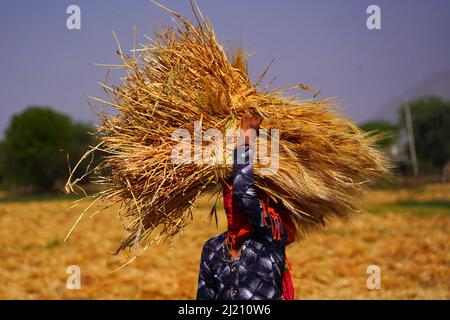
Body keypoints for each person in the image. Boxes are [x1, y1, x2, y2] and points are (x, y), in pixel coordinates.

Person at [196, 114, 295, 300]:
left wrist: (247, 135)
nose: (234, 200)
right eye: (229, 193)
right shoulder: (212, 249)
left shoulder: (270, 235)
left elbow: (243, 191)